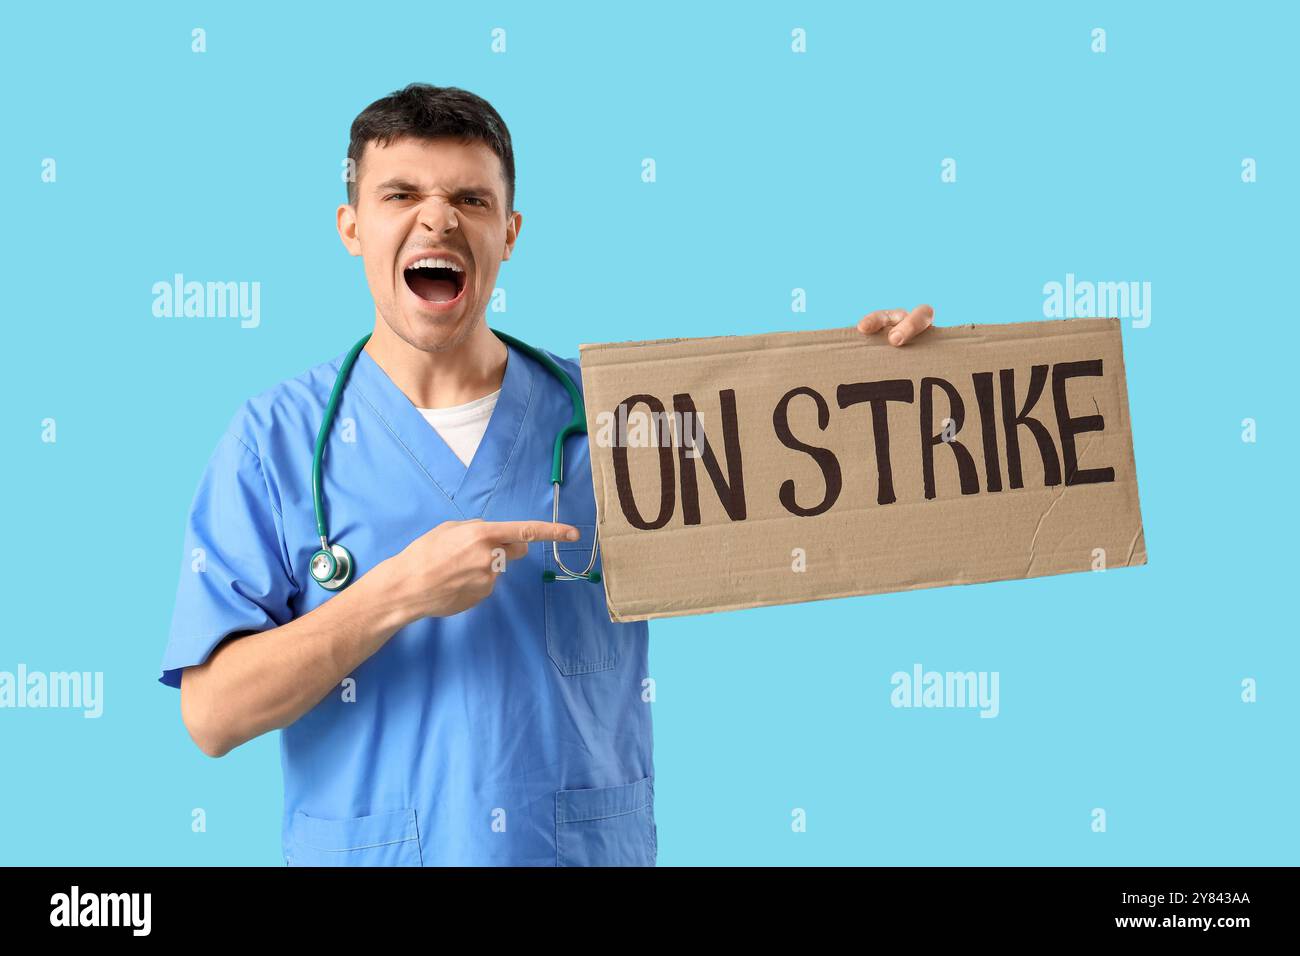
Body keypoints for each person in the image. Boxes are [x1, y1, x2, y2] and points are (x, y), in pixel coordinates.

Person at [158, 83, 937, 867]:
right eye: (401, 194)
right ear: (351, 227)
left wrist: (883, 387)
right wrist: (396, 593)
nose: (438, 218)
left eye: (471, 197)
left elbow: (810, 488)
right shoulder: (274, 441)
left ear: (510, 232)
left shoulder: (619, 423)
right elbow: (212, 714)